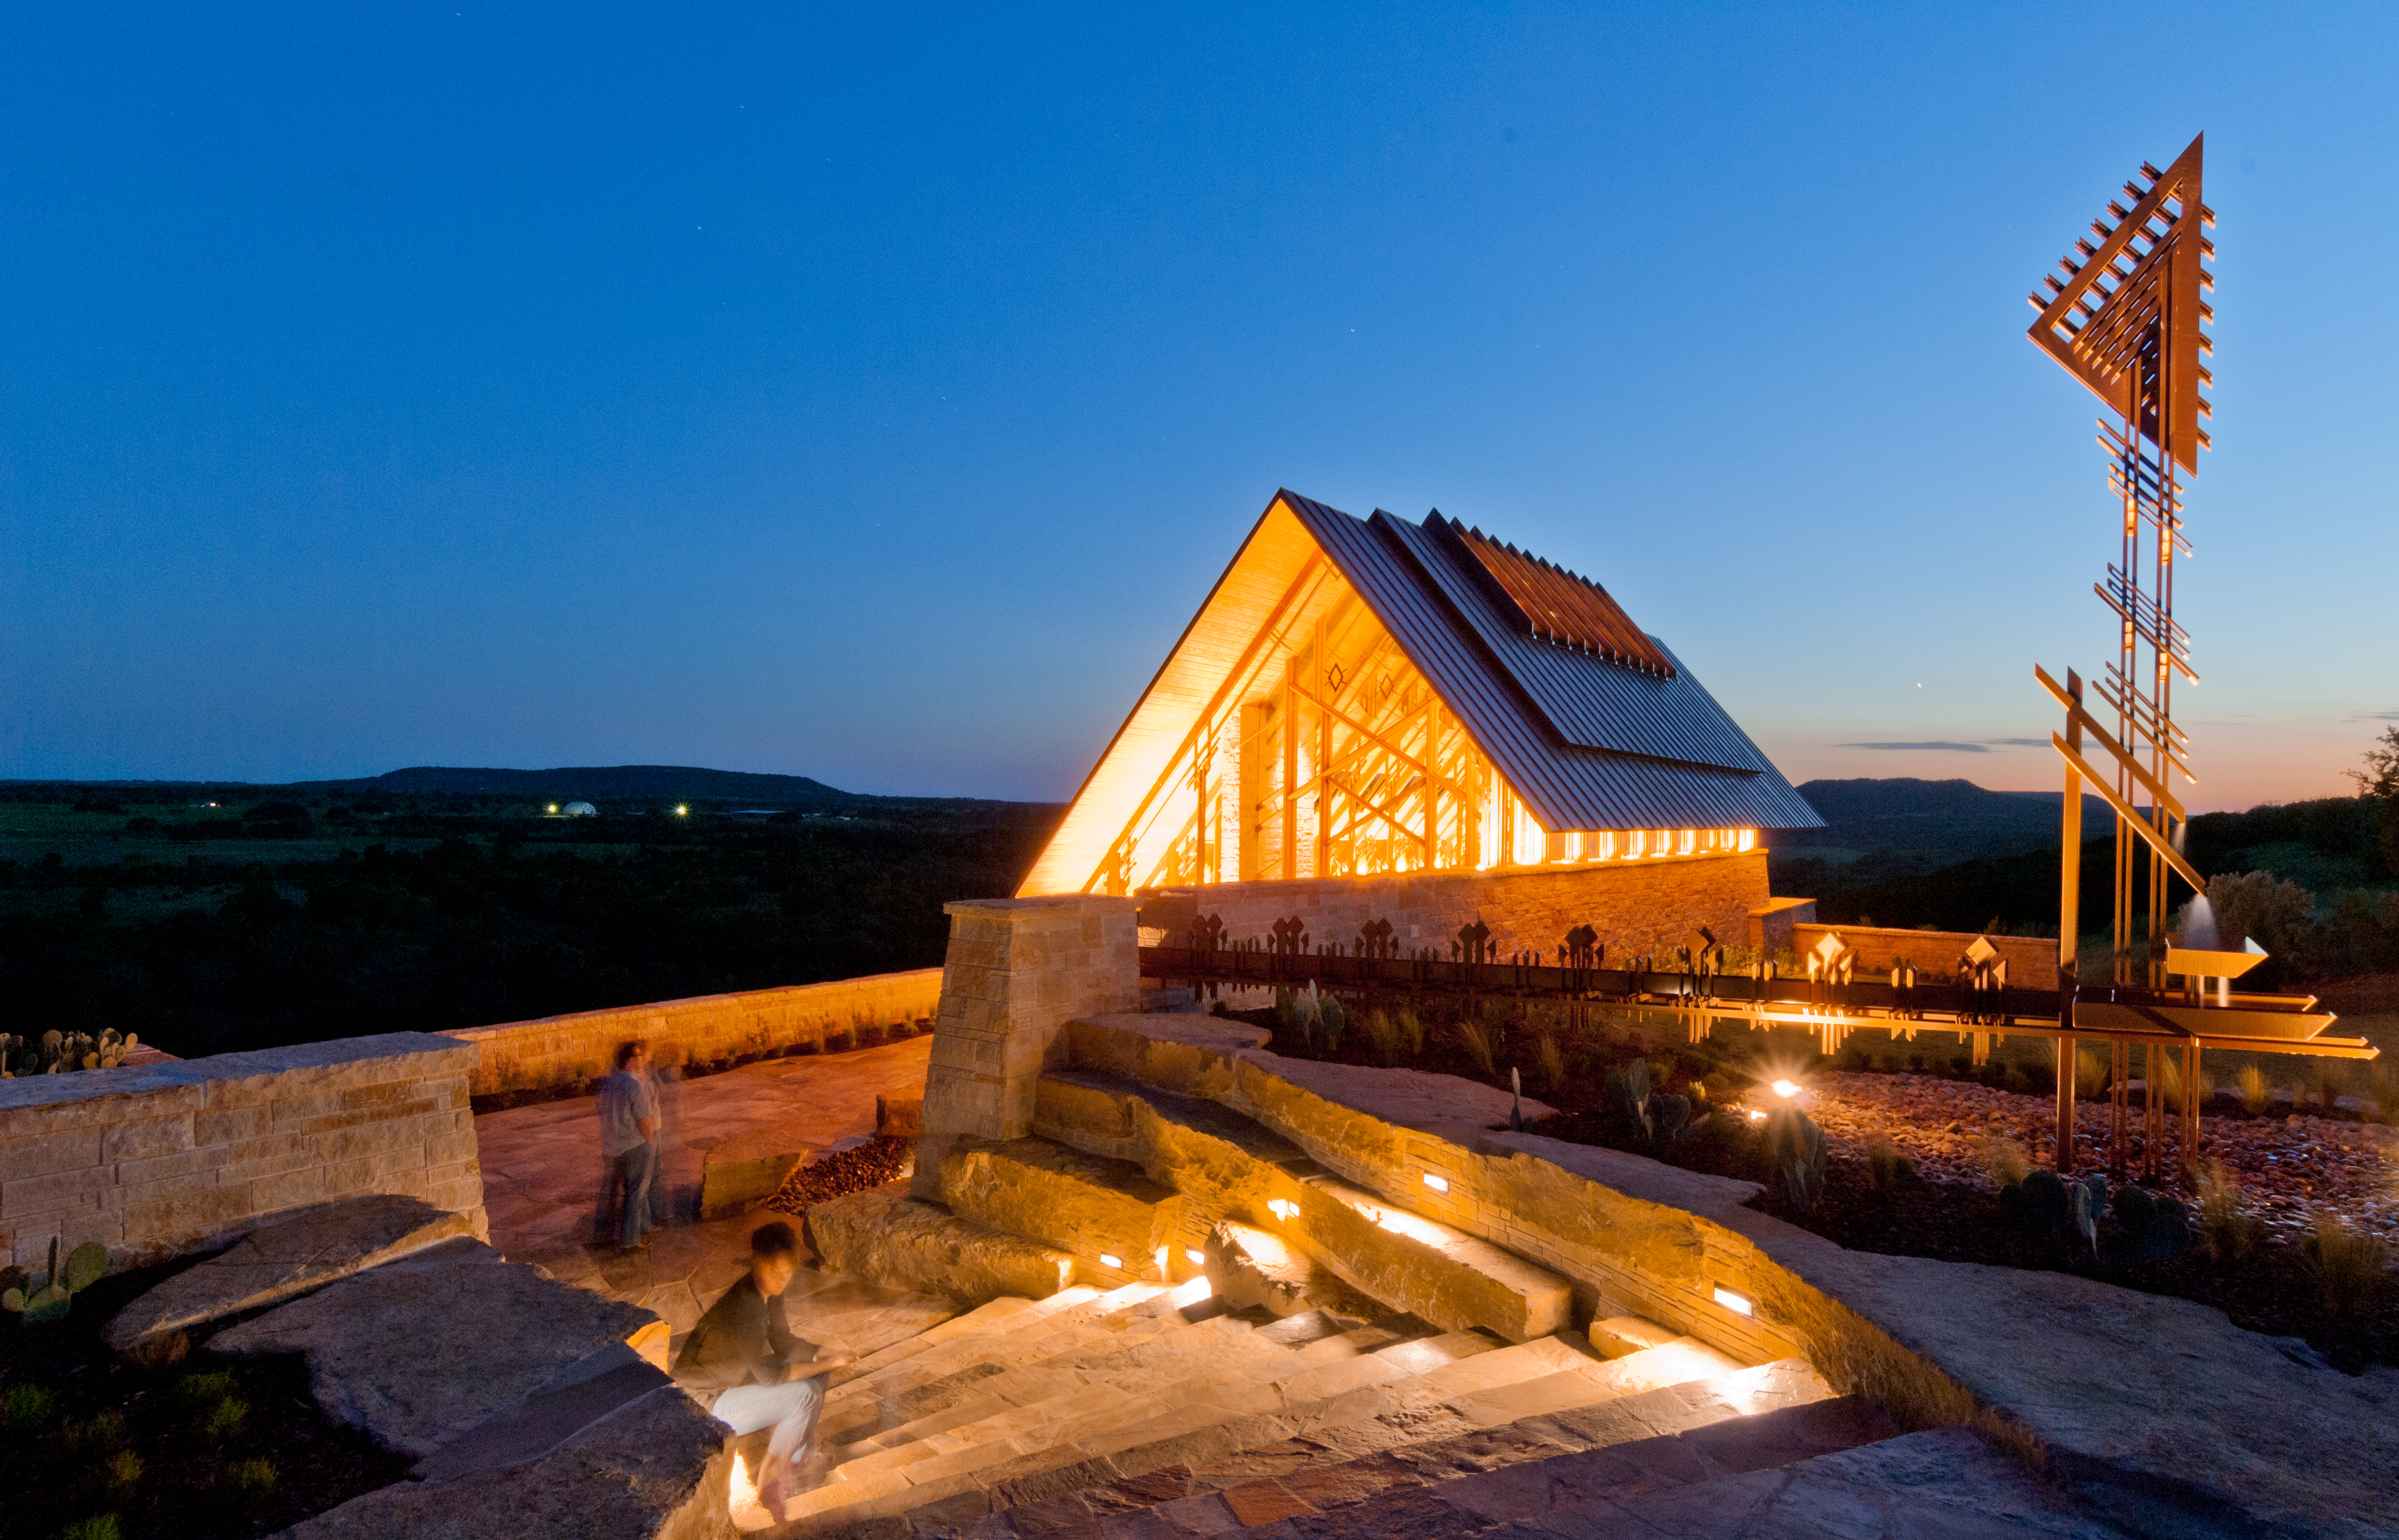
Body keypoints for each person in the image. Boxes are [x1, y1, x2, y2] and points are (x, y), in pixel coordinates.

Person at [674, 1222, 854, 1516]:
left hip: (734, 1381)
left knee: (818, 1372)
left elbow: (783, 1341)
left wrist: (824, 1354)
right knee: (805, 1394)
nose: (783, 1280)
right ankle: (771, 1482)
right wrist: (831, 1362)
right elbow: (771, 1378)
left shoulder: (769, 1290)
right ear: (758, 1263)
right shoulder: (745, 1307)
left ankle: (798, 1456)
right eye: (776, 1271)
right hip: (702, 1405)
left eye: (789, 1272)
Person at [596, 1041, 658, 1251]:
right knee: (635, 1192)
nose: (643, 1060)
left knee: (614, 1191)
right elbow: (643, 1119)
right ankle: (630, 1240)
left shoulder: (606, 1084)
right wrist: (650, 1140)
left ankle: (606, 1233)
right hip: (634, 1146)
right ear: (631, 1062)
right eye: (639, 1057)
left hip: (611, 1147)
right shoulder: (635, 1085)